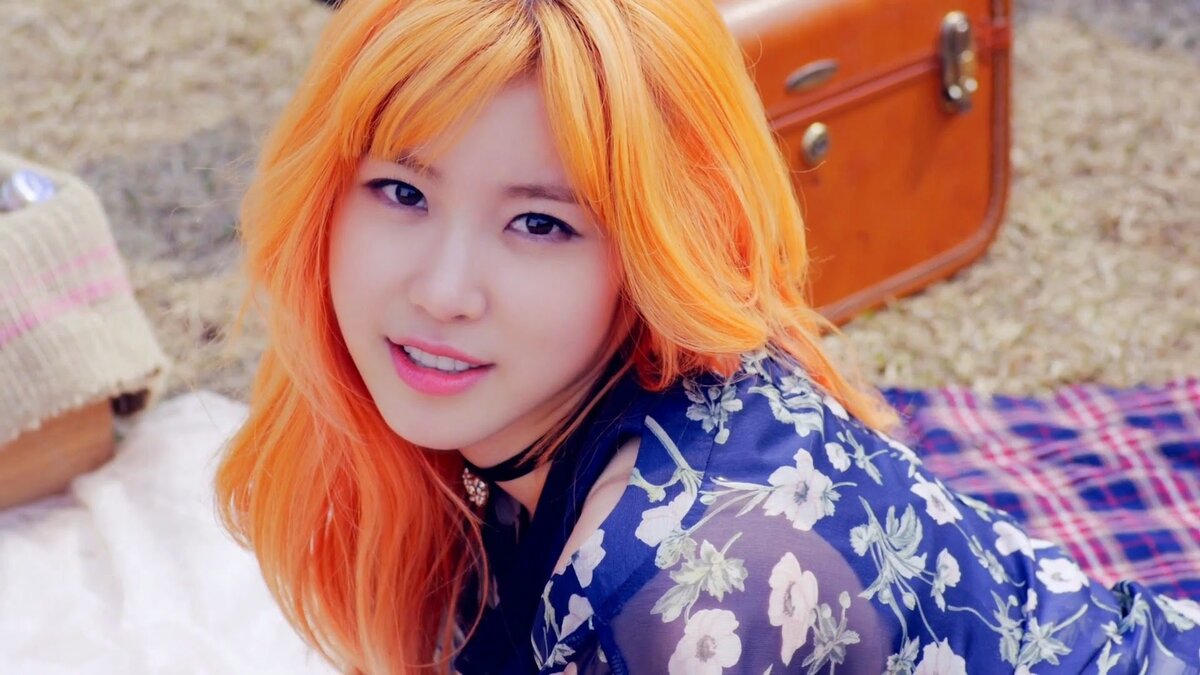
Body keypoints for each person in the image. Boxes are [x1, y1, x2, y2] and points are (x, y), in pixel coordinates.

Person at [212, 0, 1200, 672]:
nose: (442, 291)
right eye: (401, 191)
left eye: (540, 223)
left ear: (655, 247)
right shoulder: (512, 429)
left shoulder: (694, 597)